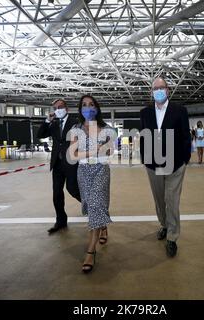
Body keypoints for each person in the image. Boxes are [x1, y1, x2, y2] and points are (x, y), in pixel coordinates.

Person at [140, 77, 191, 258]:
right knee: (159, 200)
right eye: (156, 88)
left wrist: (185, 159)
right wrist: (145, 159)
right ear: (151, 91)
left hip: (175, 164)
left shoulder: (179, 110)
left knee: (172, 201)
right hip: (153, 164)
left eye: (162, 87)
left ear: (168, 90)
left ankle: (172, 236)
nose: (159, 90)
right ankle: (164, 225)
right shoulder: (145, 112)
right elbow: (144, 136)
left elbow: (186, 136)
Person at [68, 95, 115, 273]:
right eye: (84, 105)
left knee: (95, 202)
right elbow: (73, 155)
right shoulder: (75, 129)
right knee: (91, 205)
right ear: (80, 109)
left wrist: (86, 151)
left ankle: (90, 251)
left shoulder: (107, 129)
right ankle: (103, 227)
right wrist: (94, 150)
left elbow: (109, 151)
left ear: (97, 107)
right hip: (83, 172)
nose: (88, 108)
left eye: (91, 105)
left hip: (101, 170)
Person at [37, 99, 81, 234]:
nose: (57, 109)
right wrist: (46, 121)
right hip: (57, 163)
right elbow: (40, 135)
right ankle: (61, 221)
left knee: (73, 189)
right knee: (57, 194)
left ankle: (93, 208)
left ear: (66, 108)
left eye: (60, 107)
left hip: (71, 162)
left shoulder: (75, 122)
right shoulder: (54, 124)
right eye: (55, 108)